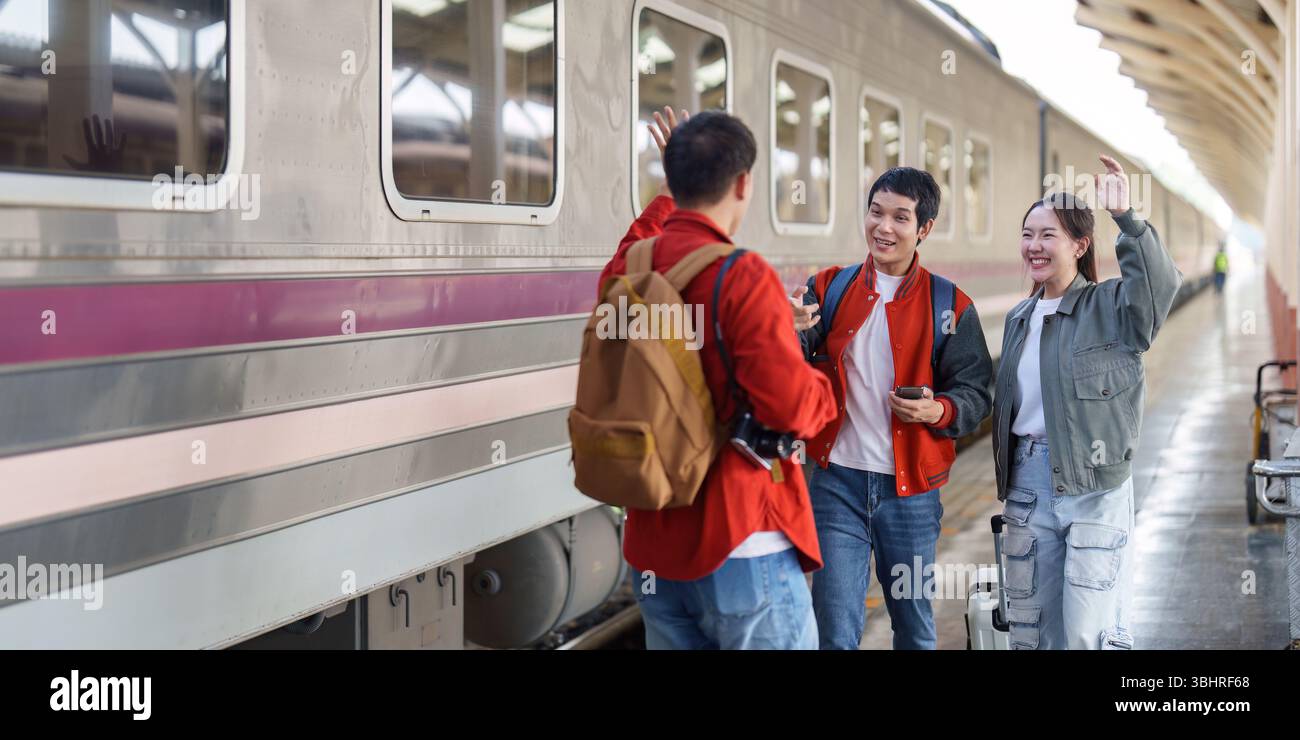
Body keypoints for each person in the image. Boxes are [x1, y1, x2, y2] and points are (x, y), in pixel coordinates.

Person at [603, 108, 837, 649]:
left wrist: (667, 192)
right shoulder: (742, 274)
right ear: (744, 182)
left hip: (653, 545)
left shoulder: (629, 265)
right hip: (739, 538)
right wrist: (819, 382)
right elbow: (792, 409)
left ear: (673, 178)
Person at [790, 166, 993, 649]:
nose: (884, 227)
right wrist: (790, 329)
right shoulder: (829, 288)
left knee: (914, 629)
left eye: (900, 218)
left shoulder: (950, 304)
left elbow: (976, 392)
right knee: (835, 631)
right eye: (876, 212)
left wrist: (939, 411)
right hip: (835, 481)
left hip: (911, 492)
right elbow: (789, 369)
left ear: (923, 229)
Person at [992, 155, 1181, 650]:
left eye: (1048, 235)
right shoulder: (1018, 319)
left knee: (1088, 634)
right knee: (1033, 633)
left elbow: (1160, 288)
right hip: (1027, 486)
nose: (1034, 245)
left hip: (1095, 486)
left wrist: (1127, 218)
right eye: (1028, 234)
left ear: (1080, 245)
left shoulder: (1112, 308)